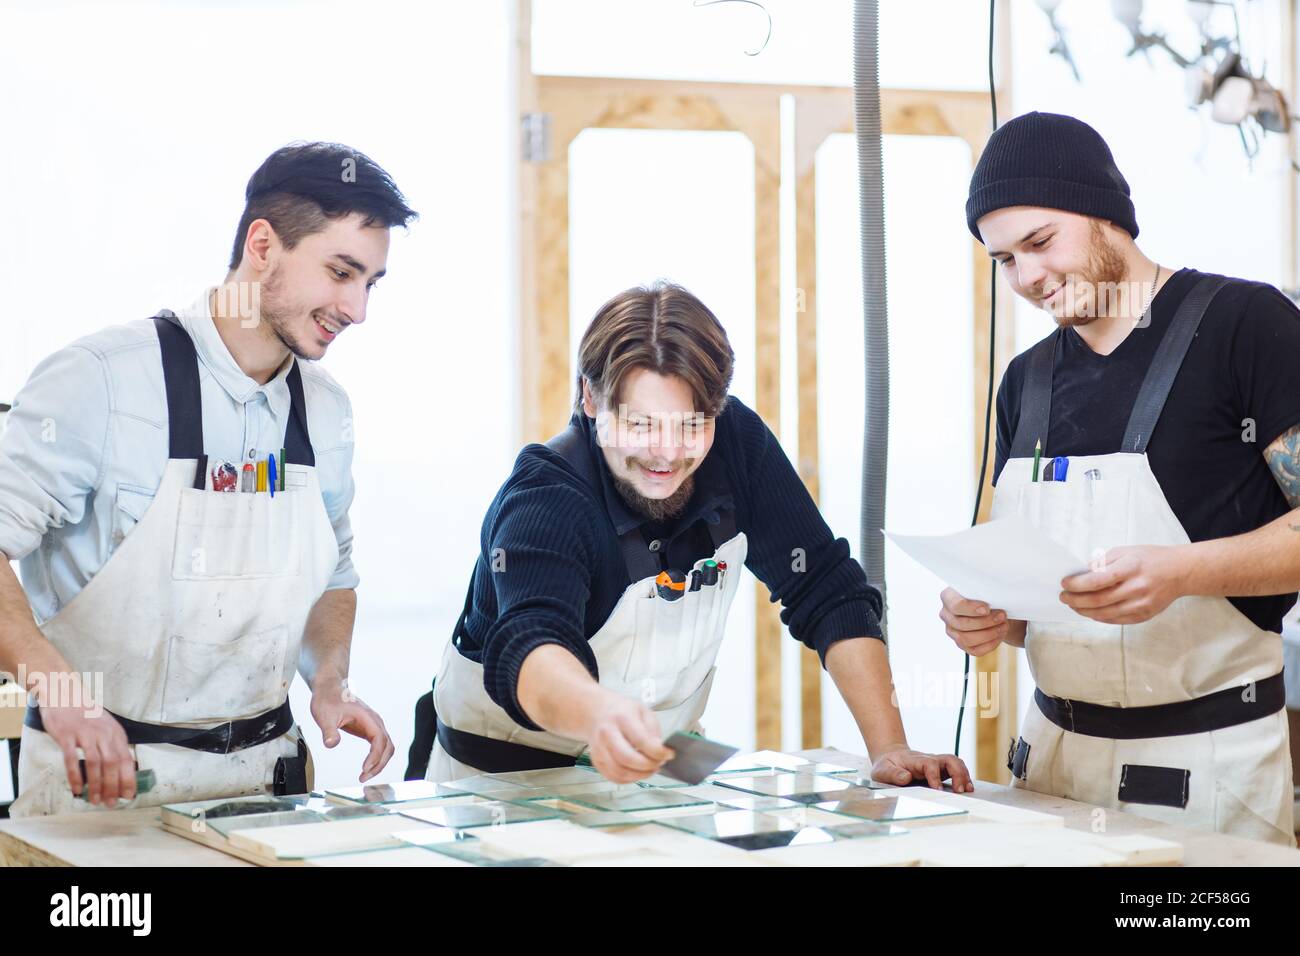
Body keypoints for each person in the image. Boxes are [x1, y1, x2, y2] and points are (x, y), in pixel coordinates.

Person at [418, 281, 972, 790]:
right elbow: (530, 644)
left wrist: (889, 748)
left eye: (692, 424)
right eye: (639, 424)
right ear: (590, 399)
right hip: (504, 787)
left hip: (660, 781)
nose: (666, 452)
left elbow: (826, 589)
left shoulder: (736, 445)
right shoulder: (548, 496)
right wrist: (598, 714)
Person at [0, 142, 413, 815]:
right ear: (262, 245)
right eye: (342, 272)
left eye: (371, 282)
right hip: (105, 791)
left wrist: (330, 681)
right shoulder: (101, 381)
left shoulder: (327, 409)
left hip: (270, 788)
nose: (358, 308)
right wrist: (63, 695)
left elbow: (334, 573)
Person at [942, 111, 1300, 845]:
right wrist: (994, 617)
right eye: (1004, 260)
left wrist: (1184, 572)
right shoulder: (1025, 382)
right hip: (1048, 772)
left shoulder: (1246, 326)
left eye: (1040, 242)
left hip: (1209, 779)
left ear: (1107, 211)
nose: (1028, 277)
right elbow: (1041, 598)